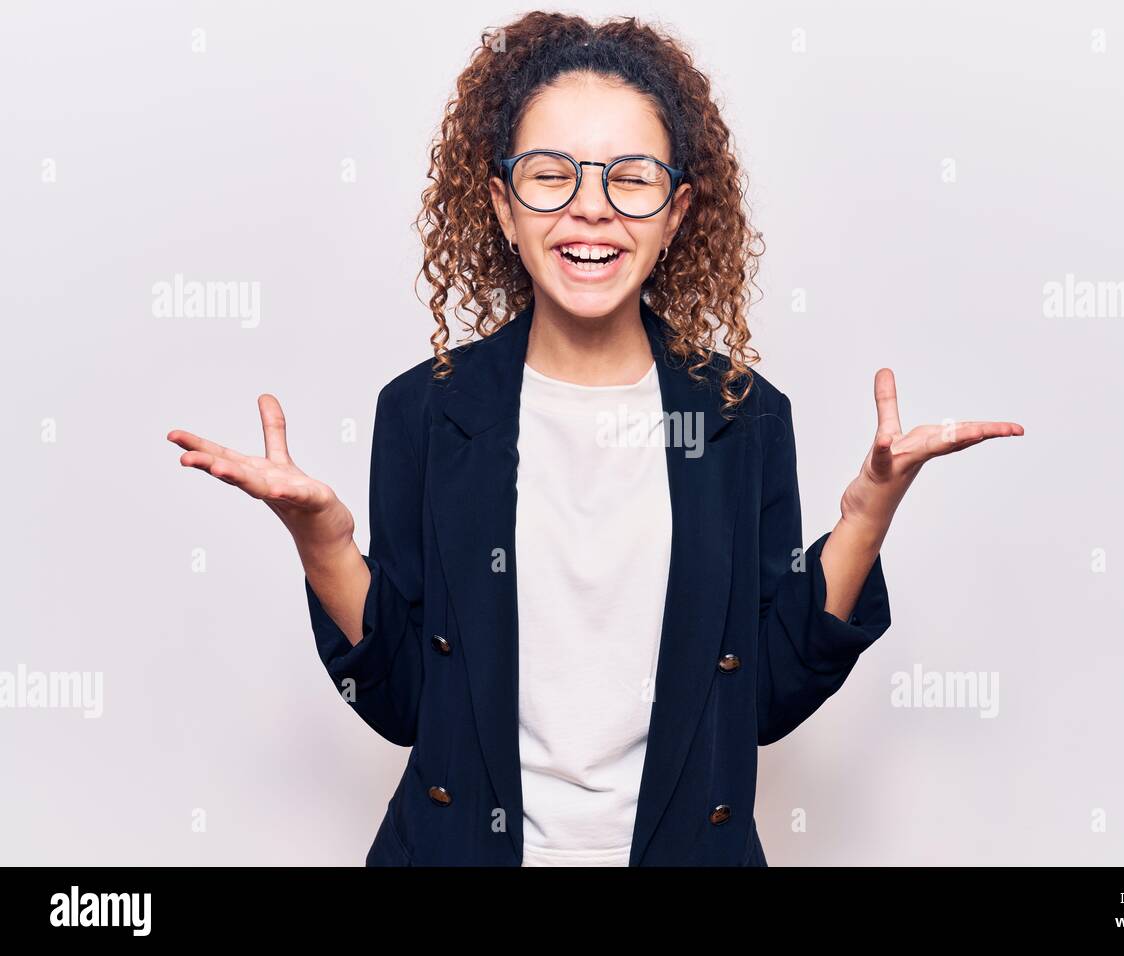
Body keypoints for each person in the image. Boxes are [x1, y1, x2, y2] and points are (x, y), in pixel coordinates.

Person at [166, 11, 1022, 866]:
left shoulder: (742, 414)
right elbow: (404, 707)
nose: (591, 209)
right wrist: (322, 539)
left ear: (676, 211)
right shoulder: (427, 411)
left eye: (632, 178)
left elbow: (758, 702)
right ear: (502, 204)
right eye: (552, 176)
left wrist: (868, 512)